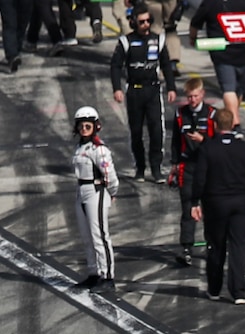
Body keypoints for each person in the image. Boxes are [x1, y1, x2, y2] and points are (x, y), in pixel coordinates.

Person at [187, 100, 245, 302]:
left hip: (215, 205)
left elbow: (200, 178)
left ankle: (215, 288)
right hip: (239, 203)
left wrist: (195, 202)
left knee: (216, 246)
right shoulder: (244, 148)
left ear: (215, 125)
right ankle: (238, 292)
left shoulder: (208, 149)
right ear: (232, 124)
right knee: (239, 247)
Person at [112, 12, 178, 179]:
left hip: (153, 90)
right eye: (142, 21)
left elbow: (166, 65)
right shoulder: (125, 42)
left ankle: (156, 168)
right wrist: (117, 88)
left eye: (149, 21)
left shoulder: (159, 40)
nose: (146, 24)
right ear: (134, 22)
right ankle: (140, 168)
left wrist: (171, 87)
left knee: (157, 130)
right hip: (134, 91)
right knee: (136, 132)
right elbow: (115, 66)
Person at [70, 108, 121, 286]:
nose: (84, 129)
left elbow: (110, 175)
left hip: (95, 191)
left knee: (99, 235)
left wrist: (112, 192)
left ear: (95, 126)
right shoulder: (79, 147)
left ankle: (107, 276)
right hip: (81, 191)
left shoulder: (99, 149)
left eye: (87, 125)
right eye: (81, 126)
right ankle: (93, 272)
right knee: (86, 236)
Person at [169, 79, 217, 267]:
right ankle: (186, 248)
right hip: (187, 167)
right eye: (189, 97)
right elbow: (174, 141)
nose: (193, 100)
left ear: (202, 94)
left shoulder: (212, 114)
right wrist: (174, 165)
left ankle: (212, 244)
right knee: (188, 207)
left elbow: (217, 144)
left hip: (208, 167)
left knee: (210, 207)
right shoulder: (180, 114)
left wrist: (202, 140)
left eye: (196, 96)